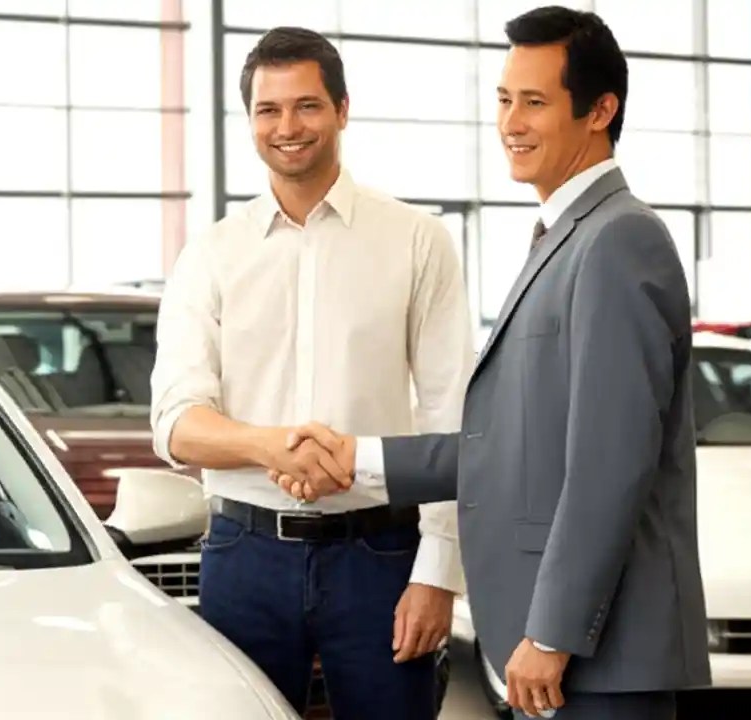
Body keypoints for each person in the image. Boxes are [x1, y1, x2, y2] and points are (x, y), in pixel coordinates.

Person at [276, 7, 712, 720]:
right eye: (505, 100)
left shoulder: (619, 242)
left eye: (534, 102)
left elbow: (610, 465)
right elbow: (510, 449)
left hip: (594, 655)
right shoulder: (564, 239)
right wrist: (358, 459)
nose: (510, 122)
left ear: (601, 110)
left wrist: (553, 632)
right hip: (558, 654)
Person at [148, 26, 474, 720]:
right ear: (250, 121)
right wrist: (273, 447)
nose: (288, 127)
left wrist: (438, 573)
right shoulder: (211, 255)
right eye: (269, 110)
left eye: (307, 106)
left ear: (342, 110)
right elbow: (176, 422)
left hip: (382, 555)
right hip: (244, 555)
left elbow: (456, 420)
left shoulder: (417, 240)